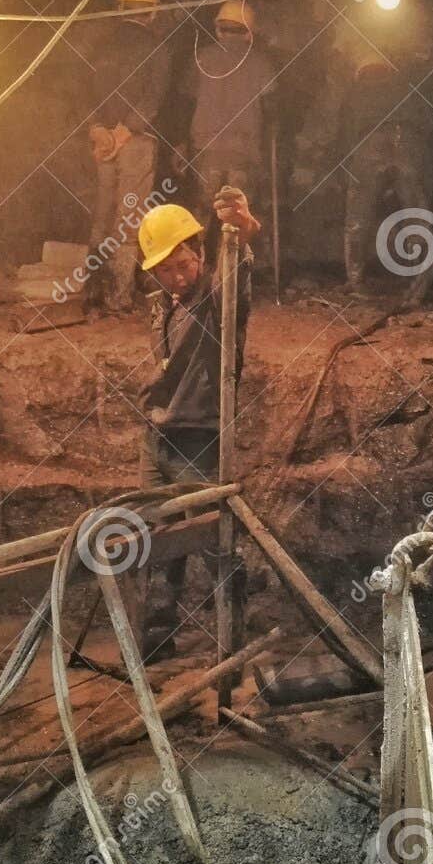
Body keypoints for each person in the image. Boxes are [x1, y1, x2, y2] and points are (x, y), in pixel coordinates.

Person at [136, 190, 260, 658]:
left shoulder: (215, 298)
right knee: (156, 540)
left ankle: (233, 639)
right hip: (157, 437)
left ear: (200, 253)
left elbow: (236, 284)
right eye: (164, 269)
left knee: (214, 541)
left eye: (182, 263)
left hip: (198, 440)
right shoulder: (162, 302)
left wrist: (242, 236)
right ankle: (157, 635)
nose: (175, 275)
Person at [85, 0, 173, 314]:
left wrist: (98, 131)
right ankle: (120, 298)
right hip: (134, 142)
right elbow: (153, 100)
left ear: (120, 7)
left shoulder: (100, 46)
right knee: (128, 218)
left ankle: (93, 293)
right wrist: (125, 132)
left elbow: (85, 93)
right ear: (153, 11)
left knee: (103, 213)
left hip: (103, 144)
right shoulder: (157, 48)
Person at [339, 50, 431, 292]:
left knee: (358, 216)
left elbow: (348, 133)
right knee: (416, 213)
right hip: (407, 142)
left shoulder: (355, 92)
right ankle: (419, 287)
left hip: (369, 143)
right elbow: (426, 122)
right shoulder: (407, 88)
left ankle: (355, 281)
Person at [183, 0, 276, 211]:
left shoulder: (201, 58)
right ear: (249, 32)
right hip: (244, 151)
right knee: (236, 214)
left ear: (218, 28)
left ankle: (198, 244)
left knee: (203, 211)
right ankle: (230, 245)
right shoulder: (260, 62)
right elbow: (272, 105)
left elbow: (186, 101)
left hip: (206, 149)